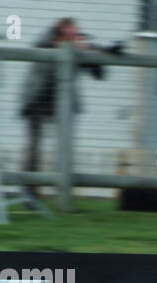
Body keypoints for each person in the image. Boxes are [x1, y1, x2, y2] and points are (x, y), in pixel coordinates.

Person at [19, 18, 106, 202]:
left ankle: (62, 192)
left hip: (62, 103)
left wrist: (91, 52)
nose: (74, 37)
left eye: (75, 33)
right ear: (59, 34)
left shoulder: (76, 46)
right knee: (33, 148)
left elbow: (99, 74)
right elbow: (48, 73)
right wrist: (70, 51)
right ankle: (29, 193)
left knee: (64, 147)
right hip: (38, 99)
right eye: (70, 34)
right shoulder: (44, 44)